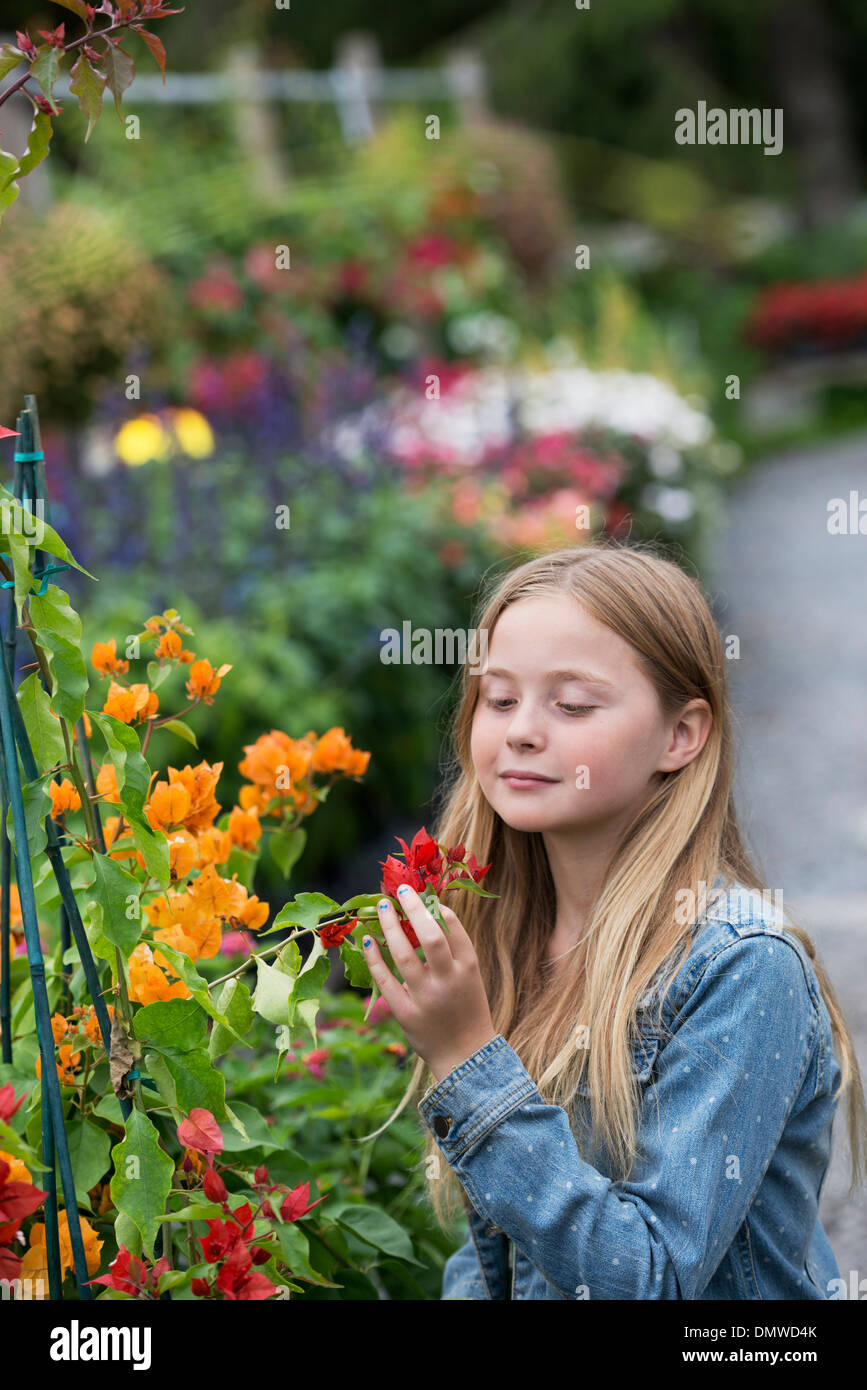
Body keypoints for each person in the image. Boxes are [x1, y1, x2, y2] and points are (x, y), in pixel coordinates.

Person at [360, 538, 866, 1299]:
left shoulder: (739, 965)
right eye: (498, 699)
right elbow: (497, 1252)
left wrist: (467, 1057)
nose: (523, 729)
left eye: (571, 704)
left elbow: (648, 1279)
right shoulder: (504, 934)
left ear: (680, 735)